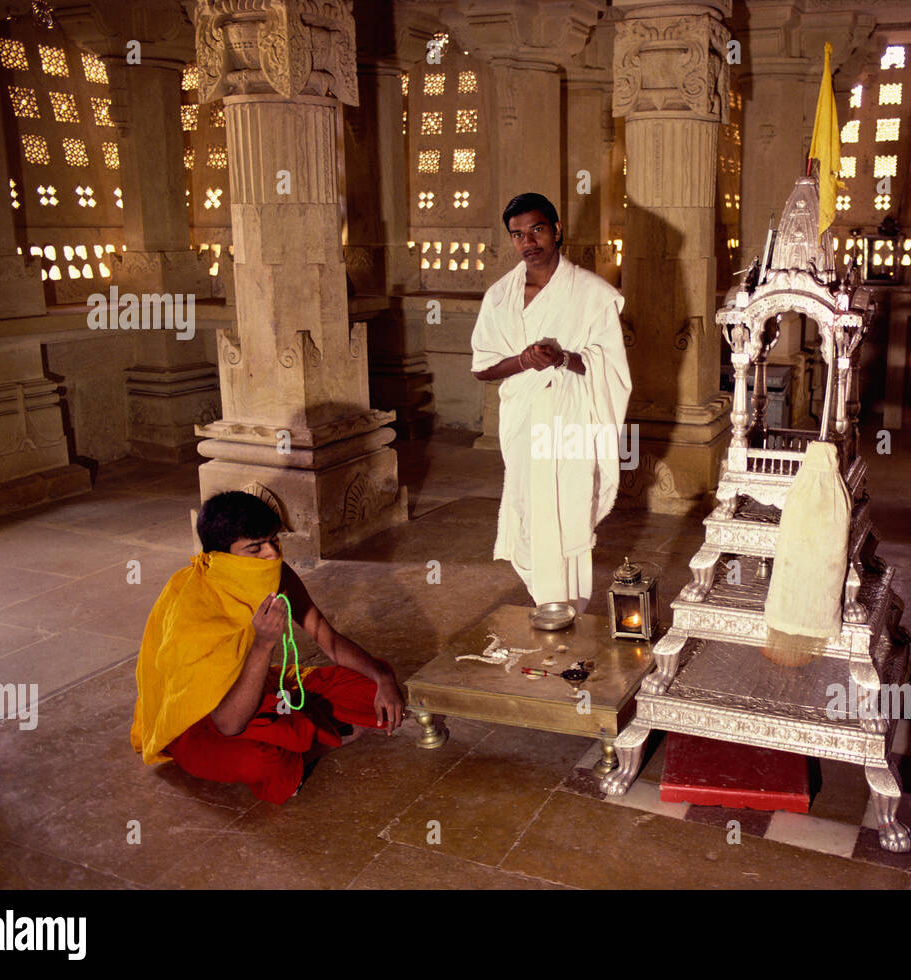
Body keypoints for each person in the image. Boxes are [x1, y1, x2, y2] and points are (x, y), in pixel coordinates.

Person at [130, 490, 406, 804]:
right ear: (222, 556)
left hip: (259, 684)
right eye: (255, 548)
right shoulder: (194, 603)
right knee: (262, 762)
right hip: (197, 722)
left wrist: (382, 680)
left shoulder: (276, 575)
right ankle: (323, 741)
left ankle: (304, 733)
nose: (272, 555)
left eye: (274, 540)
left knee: (374, 683)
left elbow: (328, 640)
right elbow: (228, 723)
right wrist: (263, 644)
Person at [471, 193, 632, 613]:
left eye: (537, 229)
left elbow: (610, 365)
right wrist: (525, 360)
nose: (528, 241)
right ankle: (546, 599)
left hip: (572, 419)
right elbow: (483, 367)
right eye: (518, 234)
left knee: (568, 504)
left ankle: (567, 604)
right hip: (524, 420)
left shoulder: (592, 293)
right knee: (531, 505)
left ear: (557, 230)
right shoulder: (500, 296)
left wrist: (562, 357)